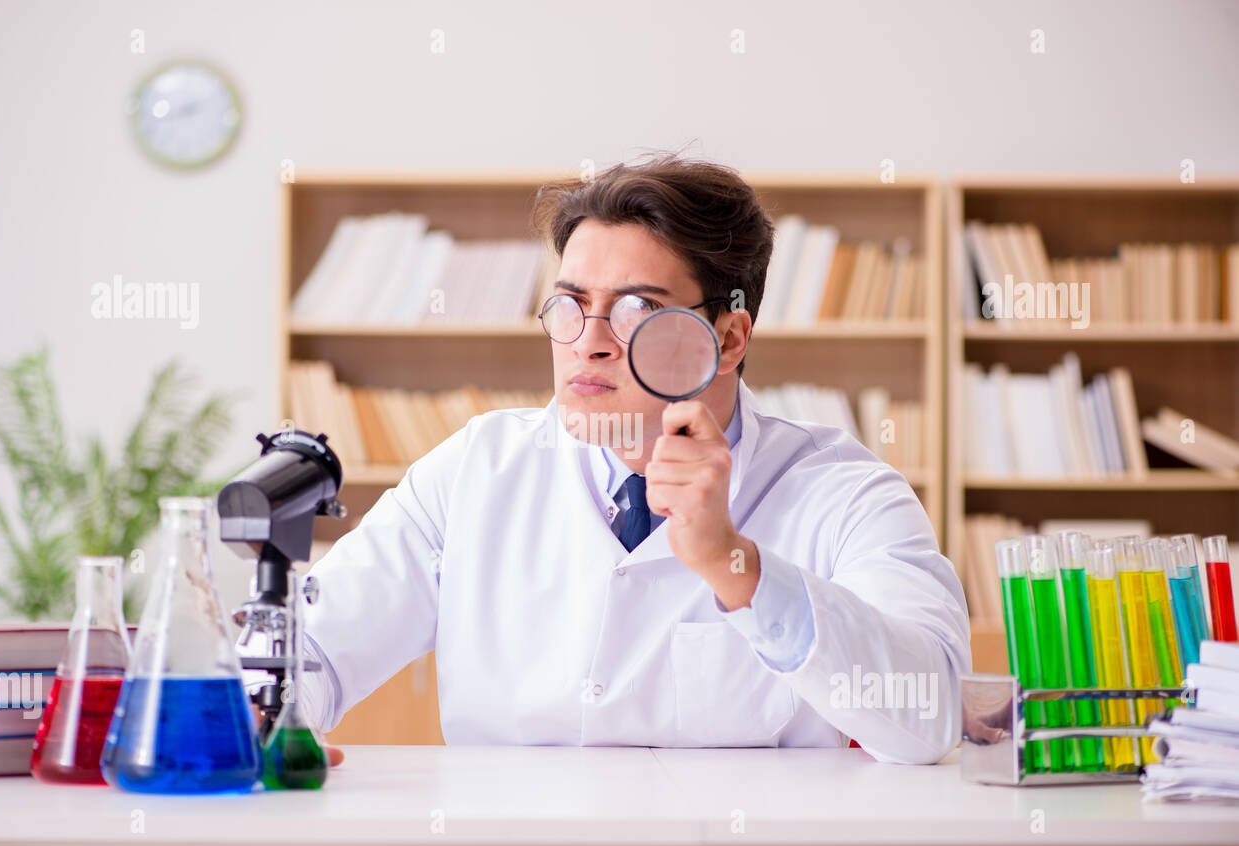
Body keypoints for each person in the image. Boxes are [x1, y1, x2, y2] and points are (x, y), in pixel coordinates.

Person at [301, 153, 971, 765]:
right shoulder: (474, 471)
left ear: (730, 336)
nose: (588, 342)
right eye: (570, 304)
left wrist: (736, 567)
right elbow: (318, 650)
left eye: (634, 309)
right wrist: (262, 717)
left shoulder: (845, 493)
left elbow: (932, 711)